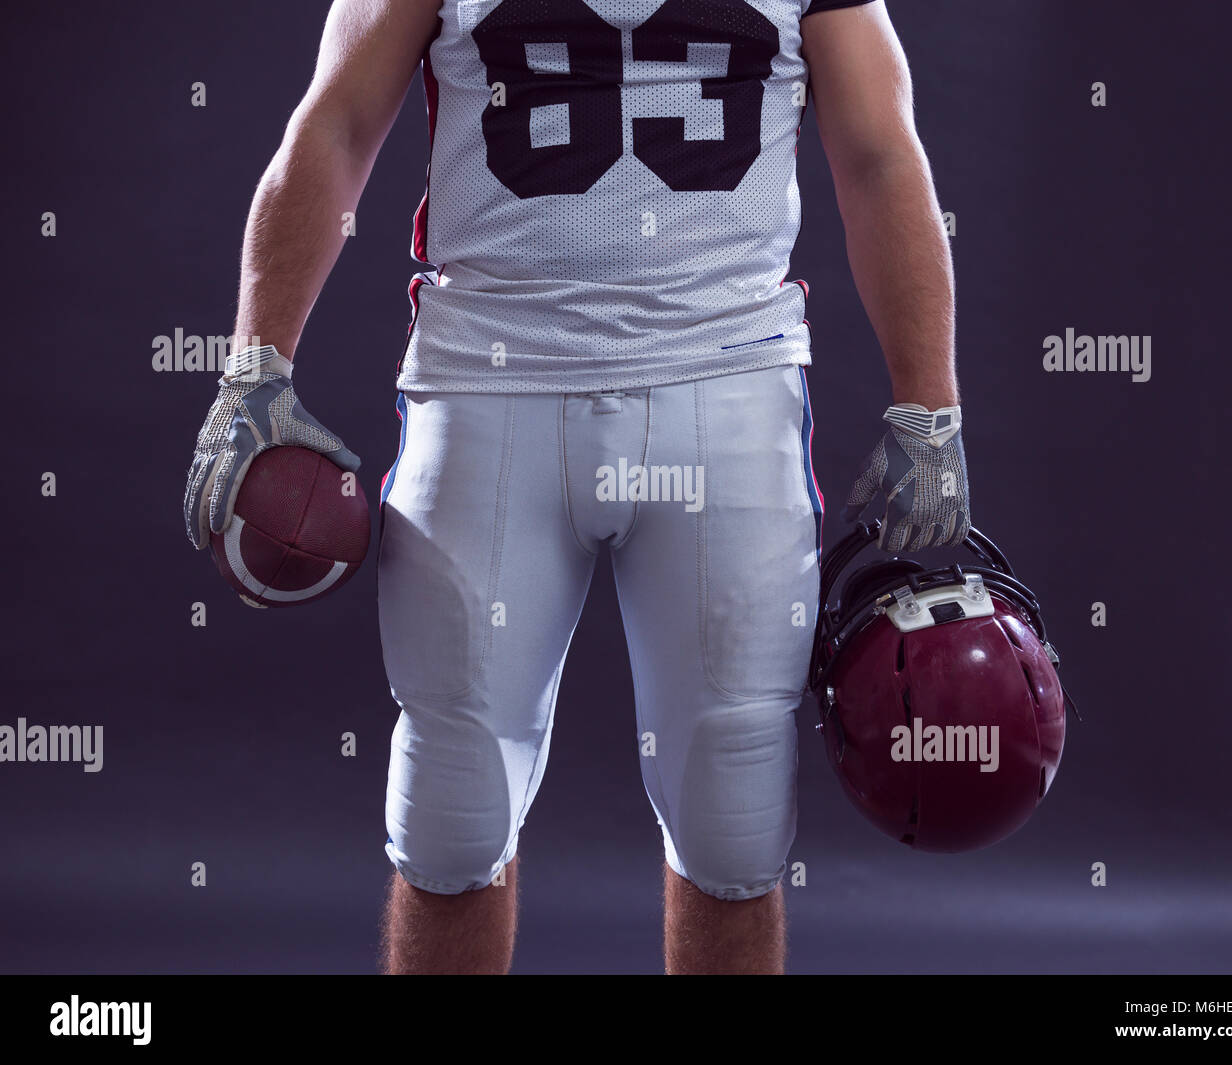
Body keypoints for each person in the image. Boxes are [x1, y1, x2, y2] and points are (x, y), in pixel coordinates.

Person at [183, 0, 970, 975]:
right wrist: (254, 364)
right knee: (452, 817)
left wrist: (929, 401)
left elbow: (880, 152)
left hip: (721, 386)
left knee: (732, 824)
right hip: (489, 385)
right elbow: (336, 120)